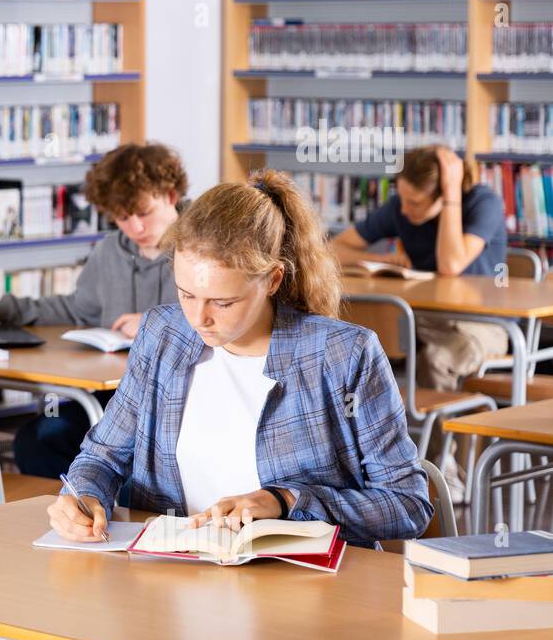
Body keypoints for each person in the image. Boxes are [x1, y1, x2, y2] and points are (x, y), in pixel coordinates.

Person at [46, 170, 432, 549]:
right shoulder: (162, 335)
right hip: (174, 582)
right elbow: (103, 455)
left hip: (306, 592)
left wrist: (287, 502)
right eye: (186, 294)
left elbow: (408, 505)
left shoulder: (343, 355)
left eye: (223, 302)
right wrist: (84, 495)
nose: (199, 318)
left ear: (273, 280)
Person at [0, 142, 189, 479]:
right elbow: (75, 308)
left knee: (134, 455)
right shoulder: (110, 251)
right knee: (37, 439)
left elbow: (228, 317)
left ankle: (125, 516)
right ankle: (74, 520)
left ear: (170, 195)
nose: (135, 228)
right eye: (123, 218)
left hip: (178, 398)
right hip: (112, 397)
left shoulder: (205, 245)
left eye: (144, 213)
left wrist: (156, 323)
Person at [331, 146, 508, 393]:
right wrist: (379, 258)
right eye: (402, 198)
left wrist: (451, 197)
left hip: (481, 324)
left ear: (443, 194)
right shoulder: (401, 208)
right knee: (350, 337)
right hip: (423, 318)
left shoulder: (483, 203)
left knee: (436, 359)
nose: (403, 209)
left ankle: (446, 432)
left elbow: (450, 265)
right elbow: (333, 249)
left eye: (414, 202)